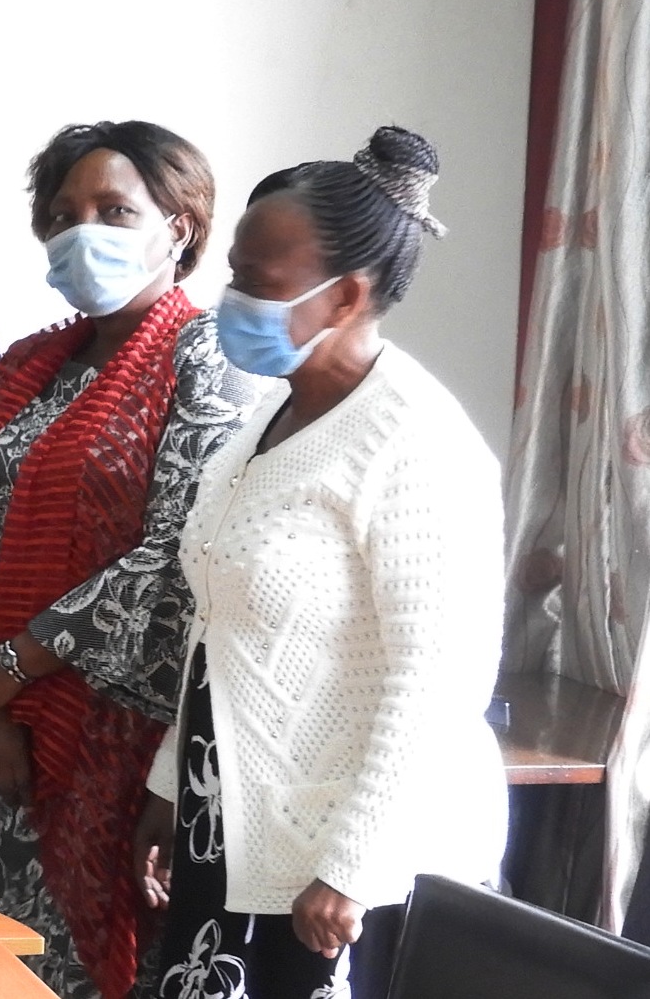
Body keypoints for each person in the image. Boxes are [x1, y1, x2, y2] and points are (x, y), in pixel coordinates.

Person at [134, 127, 504, 999]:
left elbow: (437, 681)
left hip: (337, 865)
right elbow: (218, 623)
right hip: (228, 820)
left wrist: (355, 864)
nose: (232, 297)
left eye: (259, 282)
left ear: (346, 296)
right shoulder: (269, 416)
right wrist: (168, 782)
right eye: (235, 271)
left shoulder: (418, 444)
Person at [0, 121, 259, 999]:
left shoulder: (209, 358)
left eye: (113, 208)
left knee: (101, 970)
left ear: (178, 225)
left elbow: (181, 553)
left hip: (121, 751)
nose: (80, 229)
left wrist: (10, 668)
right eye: (62, 214)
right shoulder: (29, 365)